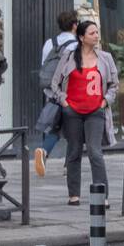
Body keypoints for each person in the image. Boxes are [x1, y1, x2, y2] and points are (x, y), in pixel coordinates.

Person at [49, 19, 118, 206]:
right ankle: (74, 195)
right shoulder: (69, 56)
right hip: (72, 112)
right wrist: (64, 102)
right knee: (73, 152)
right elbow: (55, 83)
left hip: (96, 111)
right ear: (81, 37)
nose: (96, 36)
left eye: (97, 32)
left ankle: (102, 196)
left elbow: (114, 85)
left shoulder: (105, 58)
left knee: (96, 153)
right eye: (92, 33)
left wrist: (105, 101)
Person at [33, 10, 79, 177]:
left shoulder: (49, 43)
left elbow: (44, 65)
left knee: (55, 126)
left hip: (51, 91)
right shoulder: (76, 45)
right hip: (70, 92)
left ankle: (44, 151)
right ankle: (70, 164)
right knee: (75, 128)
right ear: (75, 25)